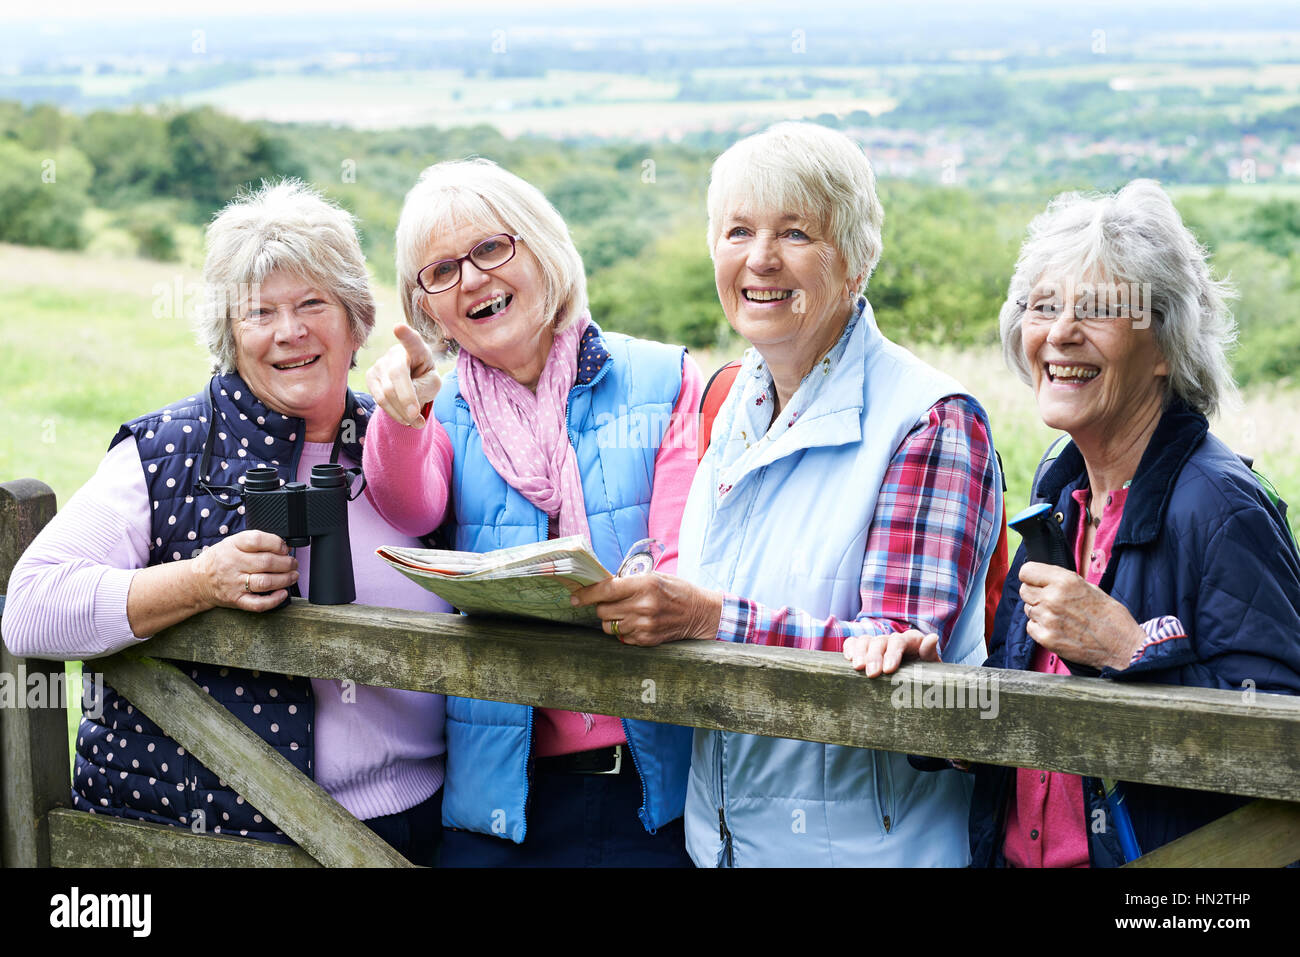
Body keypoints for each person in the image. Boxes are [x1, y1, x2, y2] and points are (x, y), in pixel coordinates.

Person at [570, 122, 1004, 867]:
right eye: (737, 231)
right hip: (721, 847)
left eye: (796, 233)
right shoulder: (727, 400)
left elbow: (896, 661)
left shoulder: (929, 421)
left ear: (857, 262)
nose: (760, 259)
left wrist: (706, 617)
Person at [3, 180, 448, 864]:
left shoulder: (413, 439)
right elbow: (31, 608)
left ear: (357, 321)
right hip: (221, 839)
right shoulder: (170, 451)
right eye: (260, 311)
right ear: (228, 333)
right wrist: (201, 580)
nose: (290, 330)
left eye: (312, 303)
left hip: (421, 827)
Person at [948, 178, 1300, 866]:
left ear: (1166, 345)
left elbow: (1282, 734)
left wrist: (1130, 648)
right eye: (1043, 307)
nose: (1060, 333)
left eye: (1100, 310)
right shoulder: (1060, 493)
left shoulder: (1221, 507)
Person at [361, 158, 702, 866]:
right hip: (499, 793)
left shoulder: (663, 377)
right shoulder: (446, 407)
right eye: (442, 270)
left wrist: (642, 594)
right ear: (428, 307)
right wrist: (400, 417)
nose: (474, 279)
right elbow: (407, 503)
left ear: (543, 250)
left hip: (646, 785)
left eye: (491, 249)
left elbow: (679, 558)